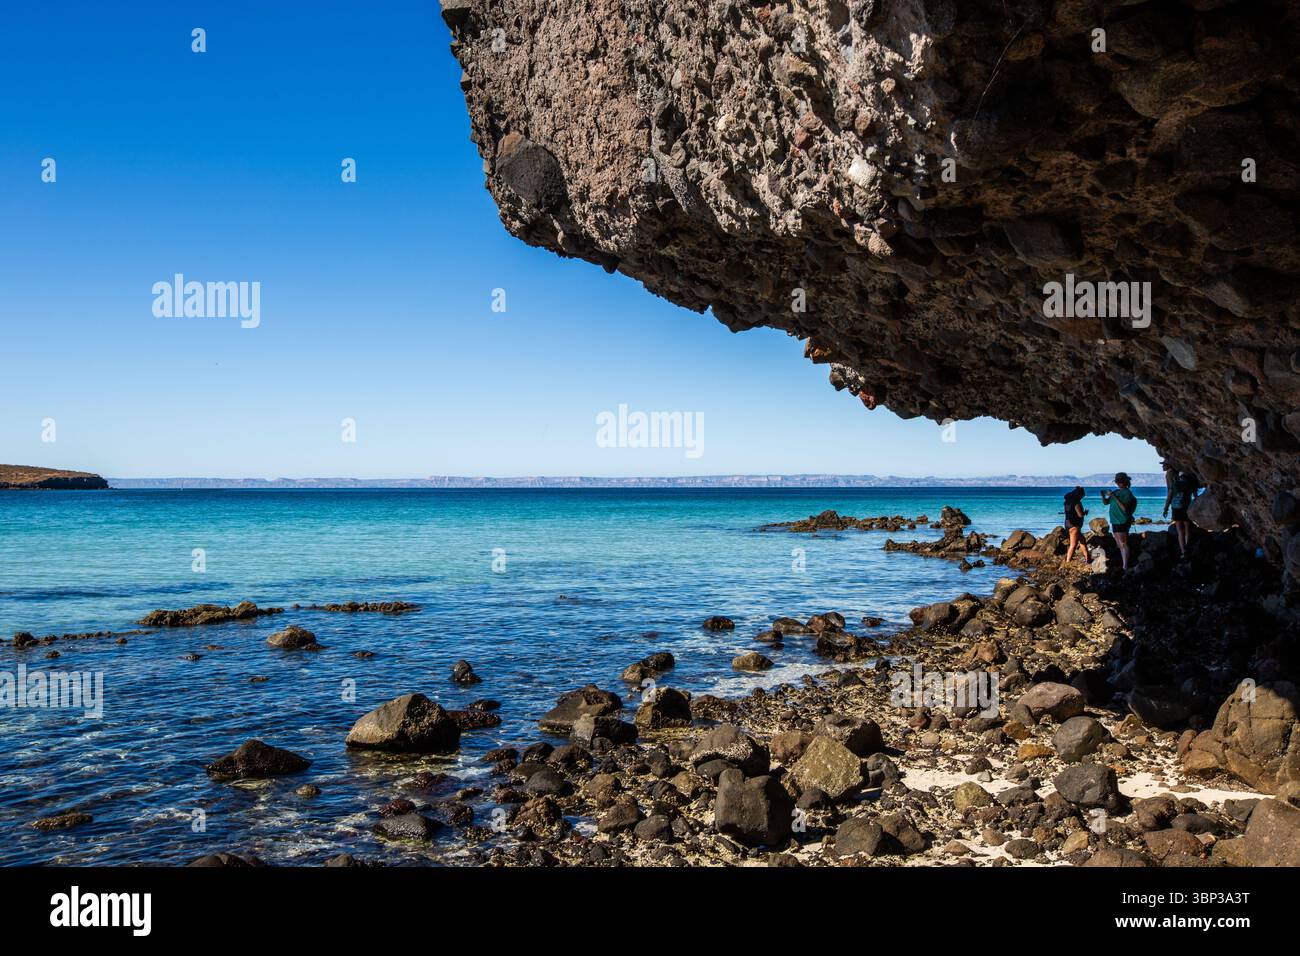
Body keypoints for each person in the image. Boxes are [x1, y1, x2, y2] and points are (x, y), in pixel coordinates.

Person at [1100, 473, 1138, 571]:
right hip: (1114, 520)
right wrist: (1103, 495)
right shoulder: (1116, 491)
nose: (1117, 483)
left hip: (1122, 520)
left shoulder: (1127, 493)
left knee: (1123, 543)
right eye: (1117, 481)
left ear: (1124, 482)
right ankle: (1124, 563)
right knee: (1119, 544)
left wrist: (1114, 496)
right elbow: (1105, 503)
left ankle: (1125, 566)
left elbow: (1124, 508)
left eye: (1119, 481)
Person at [1163, 470, 1200, 558]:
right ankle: (1187, 549)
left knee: (1180, 531)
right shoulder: (1191, 485)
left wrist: (1166, 509)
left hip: (1176, 508)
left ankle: (1183, 551)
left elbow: (1169, 497)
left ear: (1180, 477)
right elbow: (1196, 498)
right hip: (1186, 508)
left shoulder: (1175, 484)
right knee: (1187, 530)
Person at [1063, 485, 1090, 565]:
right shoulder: (1076, 502)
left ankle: (1087, 558)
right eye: (1082, 496)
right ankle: (1068, 563)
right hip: (1074, 525)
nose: (1082, 497)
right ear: (1079, 494)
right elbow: (1080, 514)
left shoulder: (1067, 502)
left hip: (1068, 523)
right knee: (1073, 545)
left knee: (1082, 540)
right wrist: (1085, 513)